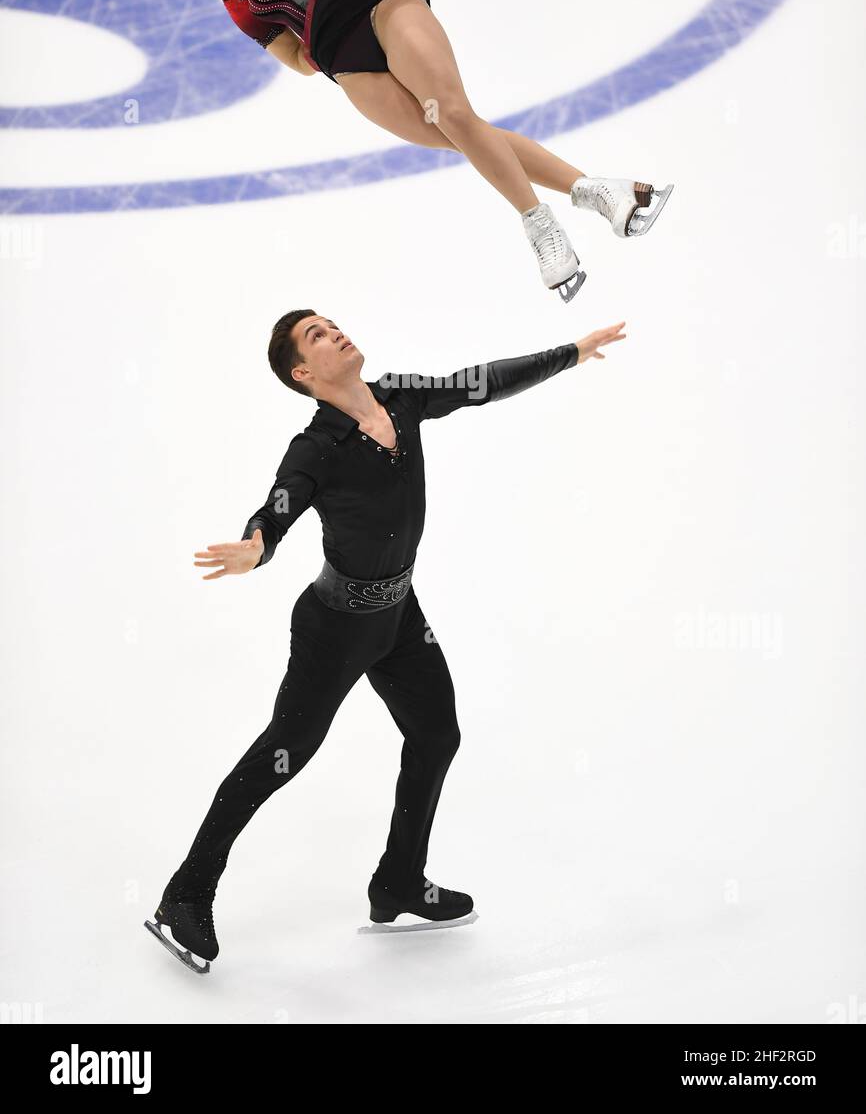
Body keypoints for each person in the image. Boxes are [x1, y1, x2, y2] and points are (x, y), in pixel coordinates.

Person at [144, 309, 627, 972]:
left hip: (398, 618)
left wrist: (570, 353)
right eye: (317, 336)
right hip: (334, 629)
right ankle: (185, 895)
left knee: (436, 735)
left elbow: (480, 382)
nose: (335, 331)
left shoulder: (401, 398)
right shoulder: (317, 448)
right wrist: (257, 546)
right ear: (304, 375)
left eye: (332, 322)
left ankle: (398, 882)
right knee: (281, 756)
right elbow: (280, 505)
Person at [166, 0, 673, 304]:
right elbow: (296, 59)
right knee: (460, 135)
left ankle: (540, 227)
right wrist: (315, 36)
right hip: (346, 63)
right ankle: (601, 192)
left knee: (455, 116)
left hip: (380, 5)